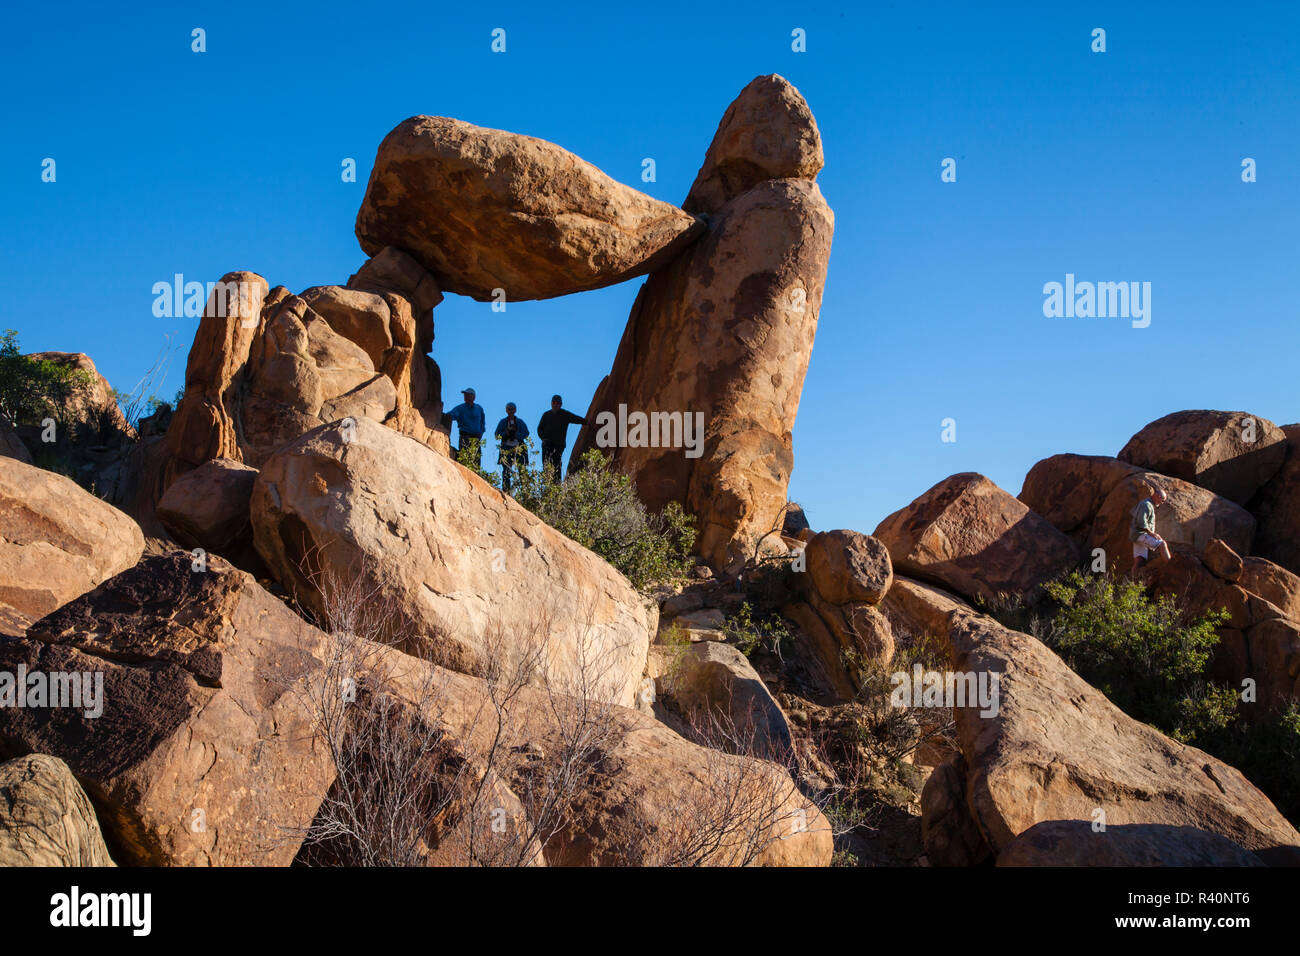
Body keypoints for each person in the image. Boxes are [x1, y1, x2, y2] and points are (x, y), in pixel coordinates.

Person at [536, 394, 586, 479]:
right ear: (551, 403)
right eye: (554, 403)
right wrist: (544, 439)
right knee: (546, 465)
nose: (555, 405)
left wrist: (586, 422)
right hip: (547, 445)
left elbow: (576, 418)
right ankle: (548, 485)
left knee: (557, 465)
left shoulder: (564, 414)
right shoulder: (546, 415)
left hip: (558, 445)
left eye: (557, 403)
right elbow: (539, 429)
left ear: (561, 404)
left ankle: (557, 486)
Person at [1130, 484, 1173, 574]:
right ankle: (1172, 567)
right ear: (1157, 495)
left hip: (1136, 535)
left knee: (1139, 561)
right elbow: (1142, 522)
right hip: (1140, 534)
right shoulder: (1146, 504)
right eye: (1162, 500)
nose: (1162, 503)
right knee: (1162, 544)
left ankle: (1132, 583)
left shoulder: (1146, 504)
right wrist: (1152, 534)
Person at [494, 402, 530, 492]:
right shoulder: (503, 422)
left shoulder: (520, 422)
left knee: (522, 470)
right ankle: (506, 492)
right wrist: (505, 433)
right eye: (509, 409)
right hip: (506, 448)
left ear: (515, 410)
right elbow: (497, 435)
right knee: (506, 470)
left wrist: (516, 434)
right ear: (506, 410)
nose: (510, 411)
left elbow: (526, 433)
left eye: (512, 409)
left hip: (519, 447)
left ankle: (525, 492)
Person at [447, 387, 486, 469]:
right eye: (465, 395)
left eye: (468, 395)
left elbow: (483, 423)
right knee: (464, 460)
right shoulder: (460, 408)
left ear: (473, 397)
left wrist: (481, 434)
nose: (465, 397)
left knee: (476, 462)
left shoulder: (479, 408)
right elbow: (450, 415)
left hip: (476, 439)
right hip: (465, 437)